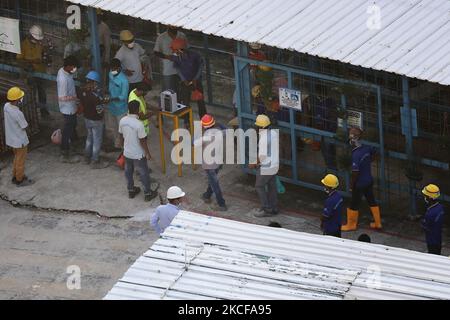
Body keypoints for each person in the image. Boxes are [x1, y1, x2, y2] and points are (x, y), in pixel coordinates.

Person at [342, 127, 382, 231]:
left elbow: (355, 172)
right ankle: (378, 223)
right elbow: (375, 154)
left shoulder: (356, 154)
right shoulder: (366, 148)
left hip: (359, 183)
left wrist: (351, 184)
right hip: (369, 180)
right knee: (371, 200)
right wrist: (368, 162)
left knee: (354, 203)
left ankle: (351, 225)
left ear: (353, 140)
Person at [119, 100, 157, 201]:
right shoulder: (139, 124)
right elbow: (142, 141)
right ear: (137, 110)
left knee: (128, 172)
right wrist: (148, 153)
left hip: (127, 153)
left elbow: (121, 135)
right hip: (138, 154)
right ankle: (148, 193)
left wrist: (122, 146)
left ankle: (131, 191)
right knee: (143, 172)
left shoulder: (122, 120)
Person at [164, 38, 206, 119]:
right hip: (185, 82)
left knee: (200, 100)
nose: (174, 52)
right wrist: (183, 80)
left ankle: (204, 119)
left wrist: (195, 79)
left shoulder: (194, 55)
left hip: (196, 82)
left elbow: (201, 66)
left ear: (180, 49)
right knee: (185, 102)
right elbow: (177, 69)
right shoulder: (177, 57)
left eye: (175, 50)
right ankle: (187, 121)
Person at [16, 25, 51, 117]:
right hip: (29, 75)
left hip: (41, 73)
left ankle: (43, 111)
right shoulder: (23, 45)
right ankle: (32, 113)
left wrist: (46, 57)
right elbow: (19, 60)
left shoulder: (40, 44)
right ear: (31, 36)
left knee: (42, 93)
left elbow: (44, 55)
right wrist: (32, 61)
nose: (38, 41)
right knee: (31, 94)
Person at [195, 114, 227, 211]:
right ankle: (207, 195)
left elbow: (194, 142)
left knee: (214, 184)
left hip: (210, 165)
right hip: (218, 162)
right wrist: (218, 123)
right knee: (212, 181)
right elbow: (227, 130)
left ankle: (221, 204)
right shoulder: (220, 133)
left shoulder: (205, 137)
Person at [4, 87, 35, 187]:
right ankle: (19, 180)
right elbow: (25, 126)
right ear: (17, 99)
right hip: (20, 140)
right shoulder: (18, 113)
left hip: (12, 139)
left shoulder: (6, 106)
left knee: (16, 158)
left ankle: (15, 175)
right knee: (20, 160)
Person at [250, 114, 280, 217]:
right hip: (274, 165)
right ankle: (274, 207)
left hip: (266, 167)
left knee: (259, 186)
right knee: (272, 186)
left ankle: (266, 209)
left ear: (261, 127)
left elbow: (262, 156)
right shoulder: (273, 133)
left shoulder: (263, 139)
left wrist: (253, 163)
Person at [78, 71, 109, 169]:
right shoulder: (95, 98)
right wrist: (104, 103)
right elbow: (99, 111)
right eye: (96, 83)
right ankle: (95, 161)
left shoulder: (82, 92)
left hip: (87, 118)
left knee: (89, 138)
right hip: (96, 120)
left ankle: (86, 158)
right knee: (97, 140)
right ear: (94, 82)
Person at [57, 56, 80, 163]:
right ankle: (65, 152)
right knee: (68, 129)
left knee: (73, 125)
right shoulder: (63, 79)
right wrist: (75, 97)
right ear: (69, 66)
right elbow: (62, 97)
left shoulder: (63, 71)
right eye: (73, 67)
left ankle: (74, 144)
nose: (74, 69)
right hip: (67, 108)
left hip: (71, 106)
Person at [154, 25, 188, 95]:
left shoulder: (182, 36)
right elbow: (156, 52)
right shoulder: (161, 37)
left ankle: (179, 103)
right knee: (168, 90)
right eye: (173, 27)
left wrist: (181, 52)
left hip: (181, 67)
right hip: (167, 69)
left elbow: (187, 49)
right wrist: (167, 57)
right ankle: (167, 105)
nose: (174, 29)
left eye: (176, 27)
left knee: (181, 89)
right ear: (168, 27)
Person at [106, 58, 129, 149]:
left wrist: (111, 99)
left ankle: (124, 147)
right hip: (112, 107)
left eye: (114, 69)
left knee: (122, 129)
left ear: (119, 68)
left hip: (121, 109)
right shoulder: (110, 74)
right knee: (114, 127)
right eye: (111, 69)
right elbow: (110, 87)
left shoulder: (124, 81)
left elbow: (123, 97)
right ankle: (117, 144)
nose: (112, 71)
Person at [421, 184, 444, 255]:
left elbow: (425, 226)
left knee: (433, 255)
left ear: (429, 198)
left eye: (425, 196)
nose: (424, 197)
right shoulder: (440, 207)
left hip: (431, 240)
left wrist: (422, 222)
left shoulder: (430, 213)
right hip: (438, 237)